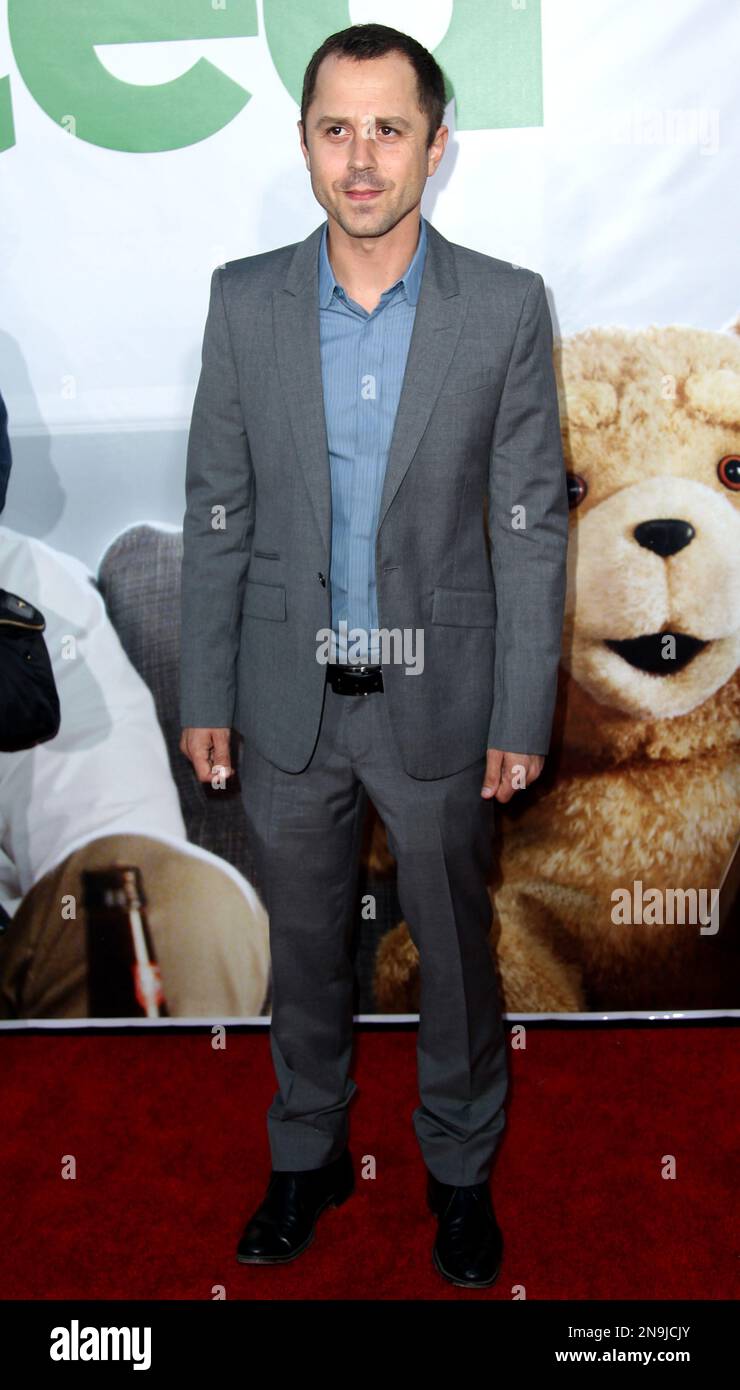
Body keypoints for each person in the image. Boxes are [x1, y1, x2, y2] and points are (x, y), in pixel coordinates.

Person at [179, 23, 568, 1288]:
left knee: (454, 954)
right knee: (304, 949)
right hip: (288, 700)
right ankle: (304, 1156)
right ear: (303, 143)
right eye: (336, 129)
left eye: (387, 129)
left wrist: (520, 708)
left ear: (434, 145)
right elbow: (216, 509)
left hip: (444, 699)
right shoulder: (243, 300)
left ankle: (458, 1173)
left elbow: (528, 528)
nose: (361, 158)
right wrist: (206, 689)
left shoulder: (504, 308)